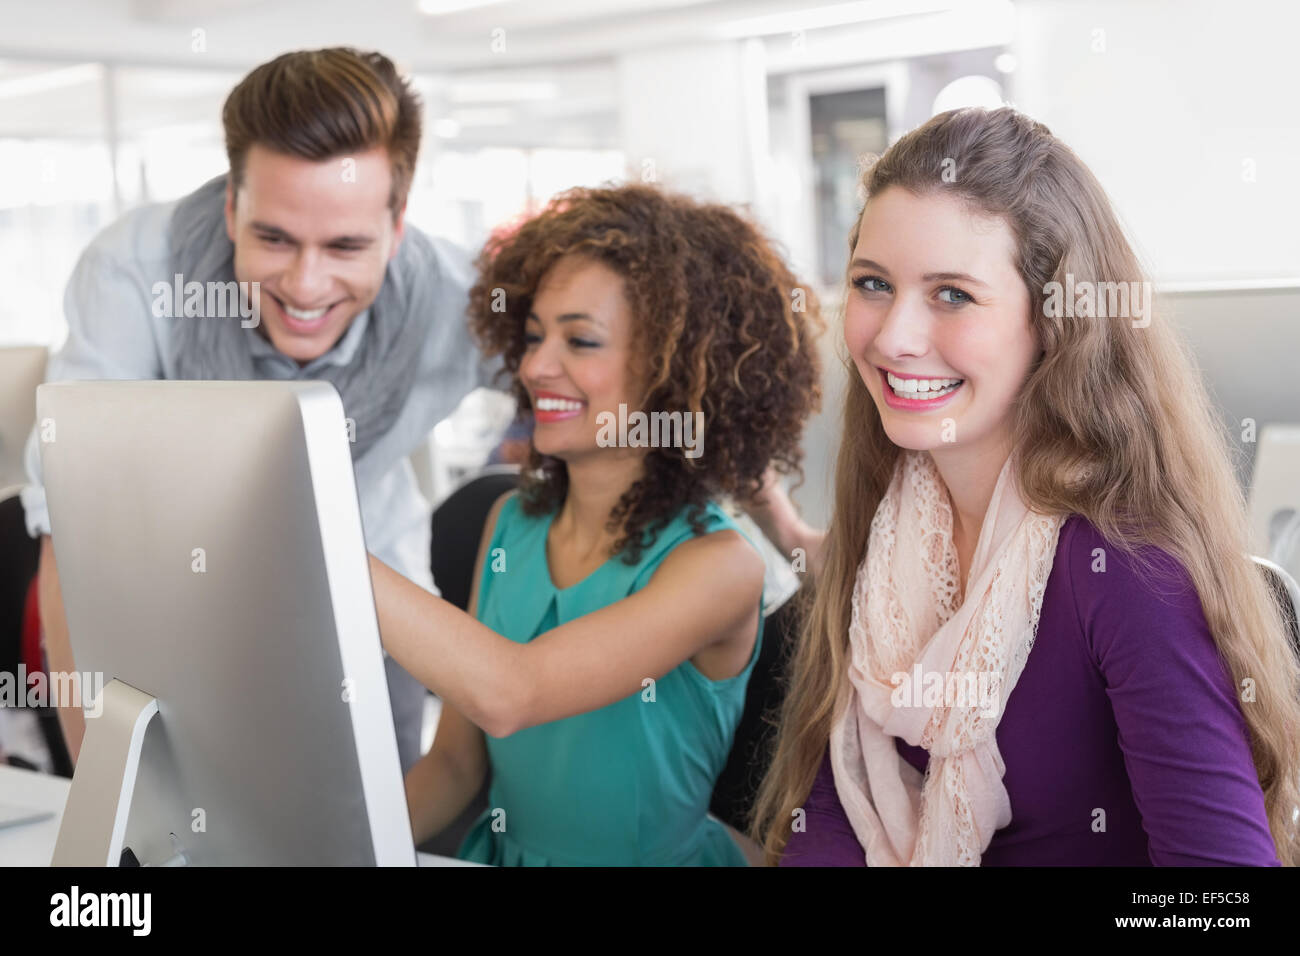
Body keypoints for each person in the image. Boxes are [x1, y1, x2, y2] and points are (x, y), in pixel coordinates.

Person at [748, 106, 1300, 866]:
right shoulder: (894, 519)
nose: (892, 335)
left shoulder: (1126, 567)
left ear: (1053, 324)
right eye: (873, 284)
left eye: (952, 294)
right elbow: (832, 824)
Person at [21, 48, 501, 775]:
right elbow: (73, 531)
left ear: (397, 226)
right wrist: (103, 795)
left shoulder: (453, 300)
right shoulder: (137, 273)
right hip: (174, 633)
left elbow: (590, 387)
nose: (306, 286)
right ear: (231, 208)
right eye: (273, 237)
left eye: (345, 245)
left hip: (370, 633)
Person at [368, 183, 822, 865]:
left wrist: (327, 550)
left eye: (580, 340)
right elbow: (457, 768)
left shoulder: (717, 566)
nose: (533, 367)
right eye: (531, 336)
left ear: (673, 369)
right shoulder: (511, 522)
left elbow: (511, 693)